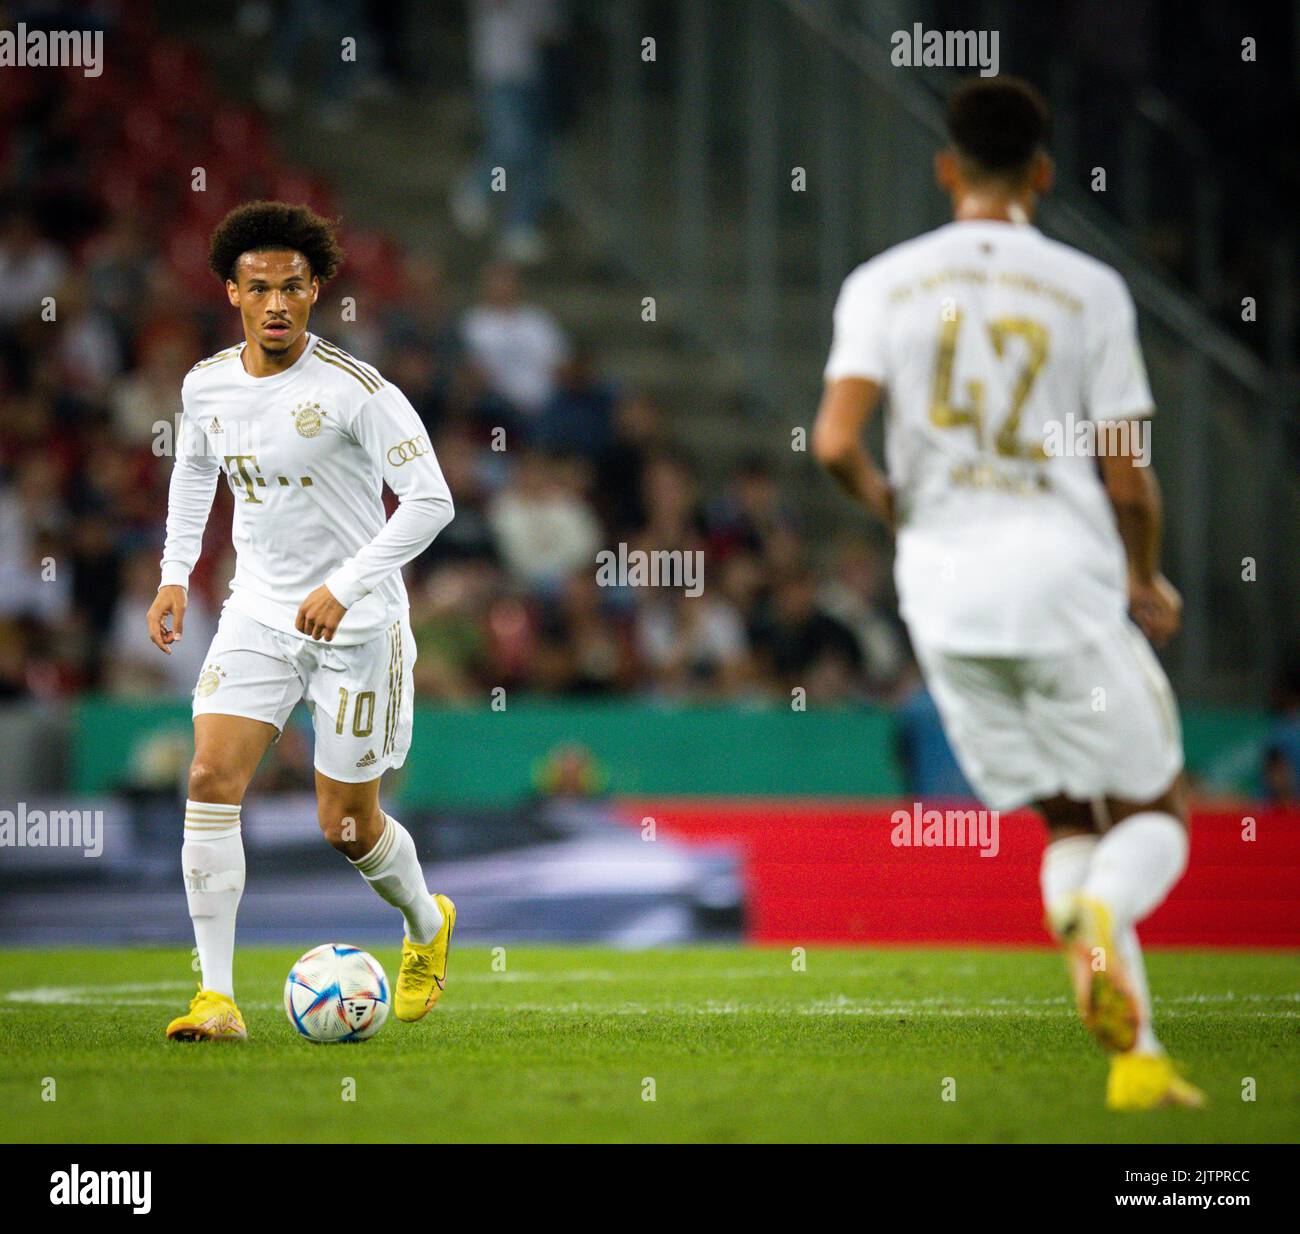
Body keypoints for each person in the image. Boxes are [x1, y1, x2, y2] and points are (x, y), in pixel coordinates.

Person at [813, 78, 1201, 1110]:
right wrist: (1144, 573)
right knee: (1155, 809)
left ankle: (1139, 1057)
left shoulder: (881, 283)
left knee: (1066, 813)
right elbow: (1126, 475)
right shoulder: (1087, 290)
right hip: (1062, 577)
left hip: (944, 593)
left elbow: (834, 443)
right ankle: (1106, 914)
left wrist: (896, 508)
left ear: (946, 167)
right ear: (1041, 173)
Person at [147, 201, 457, 1041]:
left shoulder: (358, 391)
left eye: (292, 286)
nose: (276, 303)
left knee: (346, 826)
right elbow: (194, 474)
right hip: (257, 611)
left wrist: (349, 585)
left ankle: (427, 925)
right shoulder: (205, 384)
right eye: (259, 288)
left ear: (316, 290)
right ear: (232, 293)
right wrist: (177, 575)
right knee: (210, 779)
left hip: (356, 630)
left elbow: (432, 499)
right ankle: (216, 1000)